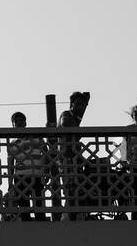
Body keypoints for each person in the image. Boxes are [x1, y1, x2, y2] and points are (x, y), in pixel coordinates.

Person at [7, 111, 49, 221]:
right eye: (17, 121)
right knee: (24, 207)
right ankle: (27, 227)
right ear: (13, 125)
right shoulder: (12, 143)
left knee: (39, 206)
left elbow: (46, 153)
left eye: (22, 121)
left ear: (26, 123)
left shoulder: (37, 138)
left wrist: (47, 171)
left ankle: (41, 227)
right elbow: (11, 165)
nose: (19, 123)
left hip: (36, 176)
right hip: (20, 178)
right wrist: (10, 183)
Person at [56, 91, 90, 220]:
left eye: (83, 105)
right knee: (71, 191)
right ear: (72, 104)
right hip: (67, 159)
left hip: (74, 158)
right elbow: (65, 123)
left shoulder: (75, 117)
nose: (81, 107)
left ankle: (73, 217)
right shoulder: (67, 115)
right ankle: (71, 218)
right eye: (78, 104)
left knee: (77, 190)